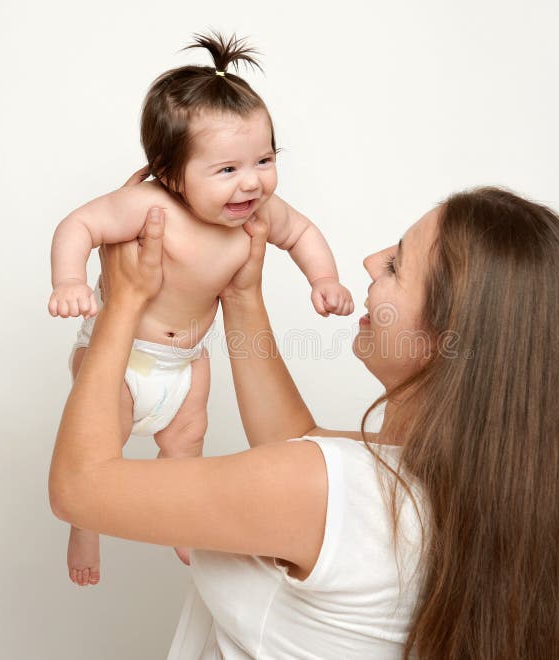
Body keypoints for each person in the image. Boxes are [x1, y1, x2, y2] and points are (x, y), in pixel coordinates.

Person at [49, 183, 559, 659]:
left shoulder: (322, 489)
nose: (370, 262)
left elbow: (79, 488)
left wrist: (123, 302)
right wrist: (242, 294)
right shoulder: (457, 487)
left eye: (395, 264)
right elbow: (299, 445)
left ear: (447, 339)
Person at [48, 32, 353, 585]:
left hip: (184, 364)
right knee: (101, 440)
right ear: (170, 174)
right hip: (119, 356)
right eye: (227, 170)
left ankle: (179, 523)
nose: (253, 181)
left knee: (188, 441)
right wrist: (71, 280)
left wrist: (323, 277)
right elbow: (80, 224)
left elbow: (301, 232)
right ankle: (85, 523)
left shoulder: (259, 210)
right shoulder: (147, 205)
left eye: (264, 159)